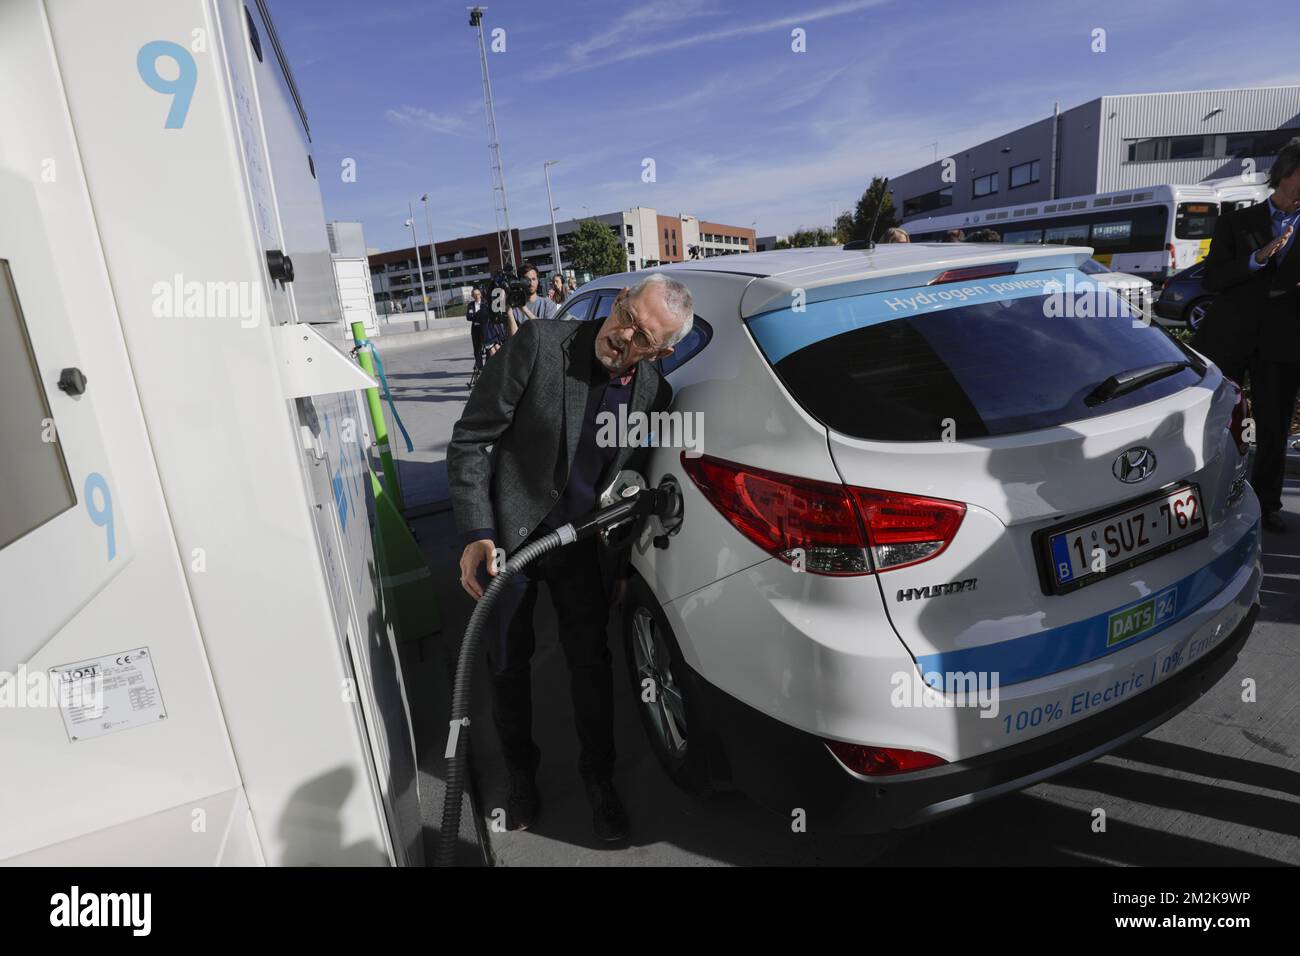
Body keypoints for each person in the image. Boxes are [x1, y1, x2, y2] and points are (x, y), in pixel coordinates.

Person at [448, 273, 689, 841]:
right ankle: (521, 776)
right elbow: (472, 439)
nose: (624, 335)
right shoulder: (539, 344)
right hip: (509, 538)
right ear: (620, 302)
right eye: (627, 316)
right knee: (508, 662)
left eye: (643, 337)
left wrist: (625, 564)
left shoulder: (656, 393)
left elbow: (635, 481)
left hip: (582, 548)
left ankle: (597, 778)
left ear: (662, 351)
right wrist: (477, 530)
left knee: (590, 666)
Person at [1192, 139, 1300, 533]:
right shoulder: (1237, 221)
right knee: (1215, 421)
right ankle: (1205, 498)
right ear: (1289, 174)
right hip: (1231, 339)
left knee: (1273, 428)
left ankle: (1267, 505)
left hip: (1285, 344)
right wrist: (1257, 259)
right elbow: (1213, 278)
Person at [506, 264, 558, 335]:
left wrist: (524, 309)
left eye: (533, 279)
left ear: (538, 281)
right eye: (526, 280)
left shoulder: (548, 304)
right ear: (519, 282)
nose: (531, 283)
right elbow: (513, 338)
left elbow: (548, 330)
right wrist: (509, 312)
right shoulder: (514, 307)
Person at [465, 286, 488, 370]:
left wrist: (476, 316)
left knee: (488, 347)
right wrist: (479, 317)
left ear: (481, 294)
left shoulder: (485, 304)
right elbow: (468, 317)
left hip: (484, 328)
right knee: (477, 349)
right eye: (474, 295)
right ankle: (480, 367)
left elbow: (487, 316)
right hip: (475, 329)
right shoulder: (470, 305)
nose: (477, 296)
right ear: (472, 296)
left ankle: (488, 366)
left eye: (478, 294)